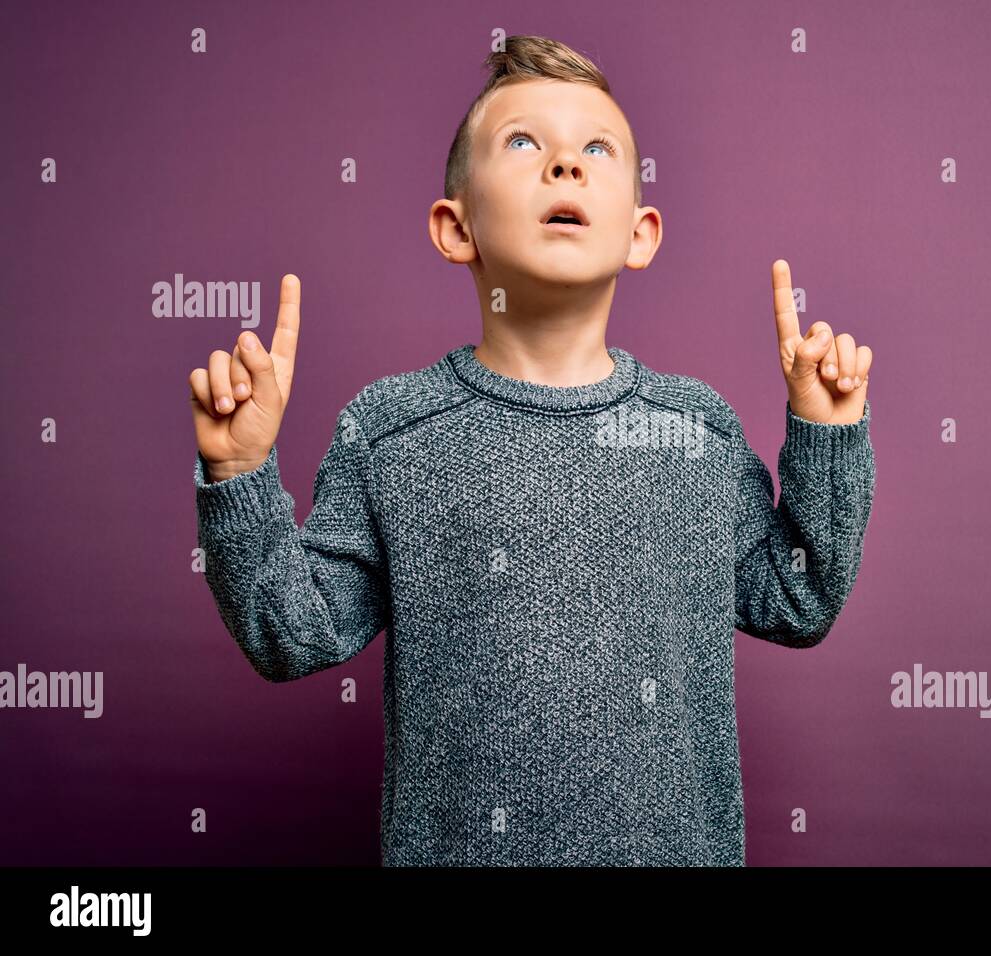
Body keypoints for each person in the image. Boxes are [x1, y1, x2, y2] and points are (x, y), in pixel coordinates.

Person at [188, 35, 877, 866]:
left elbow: (797, 601)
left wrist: (827, 434)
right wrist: (239, 474)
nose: (565, 166)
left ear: (641, 233)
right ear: (456, 226)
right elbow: (291, 636)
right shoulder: (391, 432)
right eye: (524, 143)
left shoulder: (697, 432)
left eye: (597, 148)